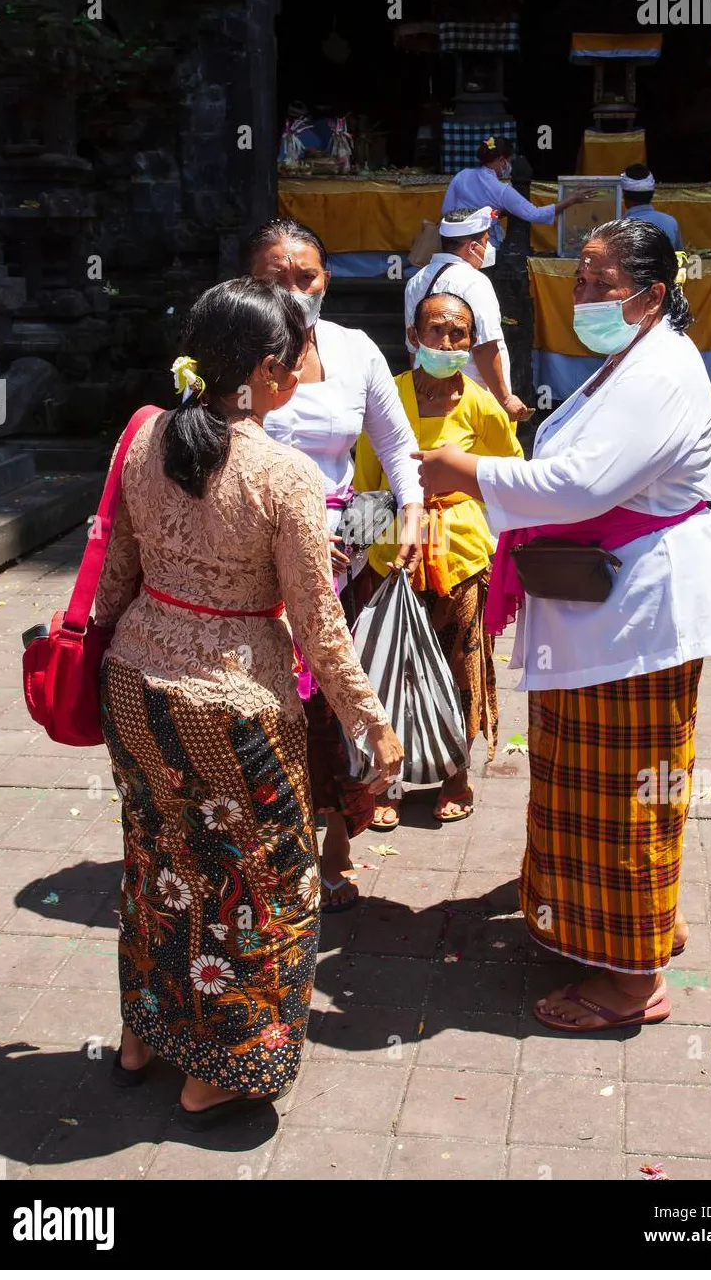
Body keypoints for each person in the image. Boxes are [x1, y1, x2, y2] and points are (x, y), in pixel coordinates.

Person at [95, 279, 402, 1127]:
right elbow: (319, 629)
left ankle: (142, 1038)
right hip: (231, 710)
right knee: (257, 887)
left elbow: (115, 580)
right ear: (267, 372)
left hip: (134, 688)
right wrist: (372, 723)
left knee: (160, 867)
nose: (310, 366)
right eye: (301, 354)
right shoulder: (284, 475)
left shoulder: (142, 440)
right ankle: (220, 1072)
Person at [413, 217, 711, 1032]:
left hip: (639, 616)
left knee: (628, 796)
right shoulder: (626, 361)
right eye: (579, 279)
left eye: (598, 283)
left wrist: (466, 472)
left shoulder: (662, 370)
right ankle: (634, 929)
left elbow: (579, 484)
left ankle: (633, 983)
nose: (581, 294)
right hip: (600, 610)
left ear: (652, 296)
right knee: (583, 787)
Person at [243, 219, 423, 912]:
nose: (293, 291)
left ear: (327, 279)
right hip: (257, 575)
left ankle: (336, 846)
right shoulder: (229, 355)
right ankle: (273, 852)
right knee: (273, 718)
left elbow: (397, 450)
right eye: (273, 279)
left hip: (345, 560)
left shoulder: (353, 350)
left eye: (306, 277)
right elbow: (211, 461)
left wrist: (407, 513)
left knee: (339, 715)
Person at [354, 291, 523, 828]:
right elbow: (365, 482)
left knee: (461, 670)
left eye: (459, 334)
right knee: (388, 670)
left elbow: (513, 479)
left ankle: (456, 773)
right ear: (412, 336)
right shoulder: (384, 398)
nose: (447, 343)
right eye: (435, 331)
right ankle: (389, 779)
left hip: (464, 557)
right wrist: (359, 558)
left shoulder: (482, 404)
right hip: (390, 557)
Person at [404, 207, 531, 423]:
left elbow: (413, 347)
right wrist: (505, 399)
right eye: (486, 240)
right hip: (472, 402)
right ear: (473, 247)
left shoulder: (416, 280)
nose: (488, 248)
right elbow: (485, 347)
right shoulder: (474, 282)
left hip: (427, 399)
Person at [442, 135, 596, 248]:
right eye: (509, 161)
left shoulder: (462, 175)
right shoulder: (501, 190)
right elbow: (536, 214)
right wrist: (571, 200)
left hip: (455, 243)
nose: (509, 166)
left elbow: (446, 211)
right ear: (502, 160)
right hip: (483, 246)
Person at [621, 163, 683, 249]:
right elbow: (679, 258)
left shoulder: (619, 229)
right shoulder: (671, 222)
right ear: (652, 194)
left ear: (624, 196)